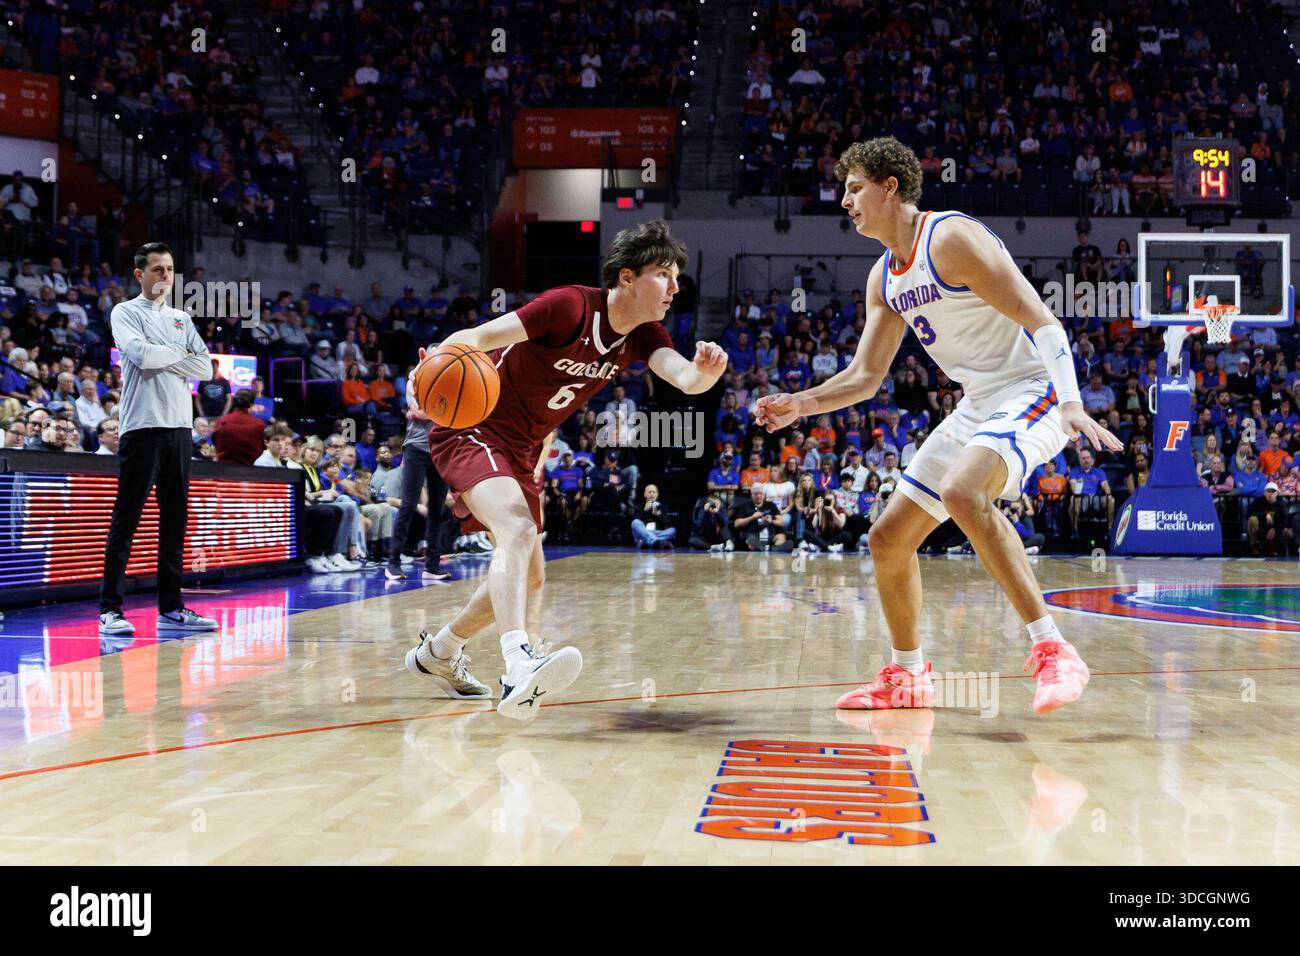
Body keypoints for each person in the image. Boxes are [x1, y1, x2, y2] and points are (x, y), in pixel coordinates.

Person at [757, 137, 1119, 715]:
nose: (844, 201)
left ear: (888, 186)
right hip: (981, 401)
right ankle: (907, 676)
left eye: (853, 188)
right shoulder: (884, 278)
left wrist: (1072, 403)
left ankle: (1054, 650)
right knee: (887, 538)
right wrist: (802, 403)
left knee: (962, 490)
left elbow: (1044, 321)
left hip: (1035, 388)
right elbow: (866, 376)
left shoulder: (949, 237)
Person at [410, 219, 727, 719]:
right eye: (663, 274)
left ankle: (440, 653)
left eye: (676, 276)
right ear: (627, 277)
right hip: (476, 427)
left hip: (520, 450)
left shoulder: (644, 334)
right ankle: (518, 663)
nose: (674, 286)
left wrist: (704, 375)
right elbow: (477, 335)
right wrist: (426, 376)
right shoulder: (570, 305)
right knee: (515, 531)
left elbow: (683, 377)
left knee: (529, 577)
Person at [98, 242, 219, 637]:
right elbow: (141, 356)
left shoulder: (182, 317)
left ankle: (171, 607)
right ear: (139, 274)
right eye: (156, 269)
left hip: (179, 429)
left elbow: (205, 367)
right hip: (141, 427)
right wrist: (175, 355)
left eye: (168, 269)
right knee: (127, 518)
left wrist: (163, 352)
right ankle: (110, 610)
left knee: (175, 520)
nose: (164, 275)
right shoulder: (124, 312)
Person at [212, 389, 266, 465]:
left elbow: (215, 444)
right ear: (251, 405)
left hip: (223, 471)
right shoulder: (259, 424)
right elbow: (263, 447)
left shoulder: (220, 421)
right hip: (251, 472)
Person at [630, 484, 677, 549]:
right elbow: (635, 525)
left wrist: (659, 515)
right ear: (645, 494)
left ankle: (649, 541)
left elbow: (668, 523)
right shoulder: (638, 507)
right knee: (635, 522)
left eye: (654, 492)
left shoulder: (663, 507)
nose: (652, 494)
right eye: (649, 492)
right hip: (642, 533)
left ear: (657, 494)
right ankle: (658, 541)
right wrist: (645, 511)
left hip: (656, 532)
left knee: (672, 530)